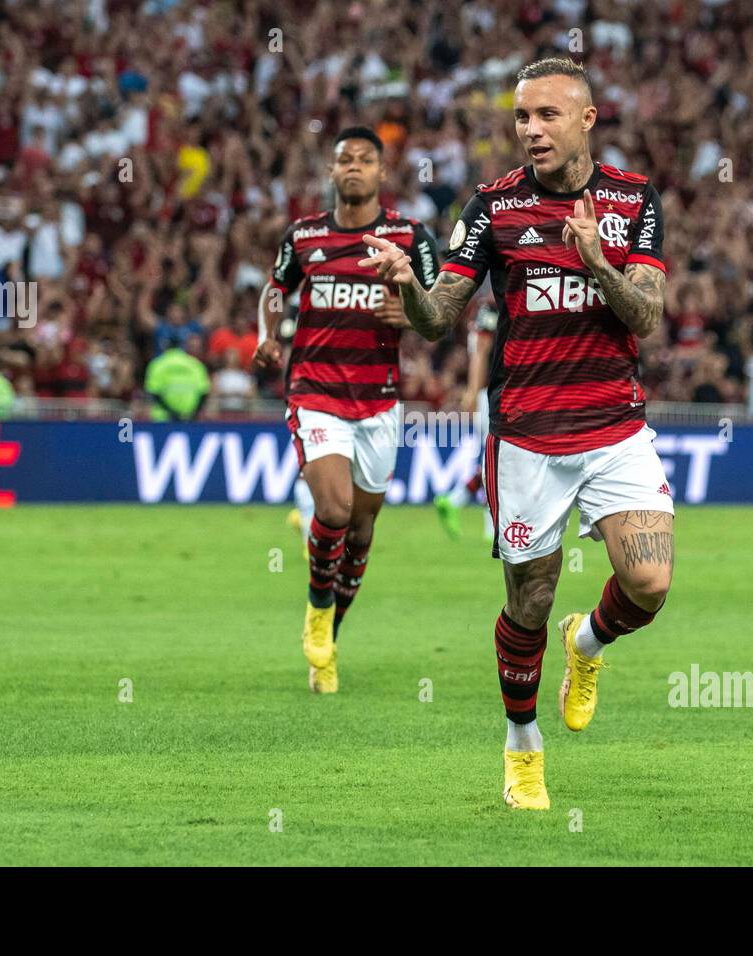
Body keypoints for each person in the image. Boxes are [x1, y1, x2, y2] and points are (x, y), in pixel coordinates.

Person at [361, 58, 673, 810]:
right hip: (528, 435)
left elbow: (649, 318)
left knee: (651, 583)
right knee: (528, 601)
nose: (530, 129)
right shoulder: (492, 208)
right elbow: (440, 320)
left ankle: (588, 644)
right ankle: (522, 750)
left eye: (547, 115)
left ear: (588, 120)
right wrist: (409, 286)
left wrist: (598, 263)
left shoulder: (633, 201)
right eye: (521, 117)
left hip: (614, 427)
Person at [255, 126, 440, 695]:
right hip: (314, 394)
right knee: (333, 510)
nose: (354, 167)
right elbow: (273, 288)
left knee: (361, 531)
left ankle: (327, 640)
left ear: (383, 173)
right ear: (332, 172)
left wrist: (408, 311)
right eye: (344, 160)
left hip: (379, 403)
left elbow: (440, 308)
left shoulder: (409, 236)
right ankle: (316, 608)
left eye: (365, 160)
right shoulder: (304, 236)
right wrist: (266, 334)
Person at [434, 300, 497, 540]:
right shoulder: (493, 308)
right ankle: (490, 526)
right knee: (498, 460)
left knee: (497, 460)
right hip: (494, 393)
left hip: (495, 393)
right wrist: (473, 391)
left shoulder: (488, 308)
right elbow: (481, 348)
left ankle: (456, 500)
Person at [144, 336, 210, 421]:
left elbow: (153, 392)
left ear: (165, 347)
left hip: (163, 418)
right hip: (188, 417)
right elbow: (204, 392)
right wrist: (193, 412)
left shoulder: (157, 365)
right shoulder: (195, 365)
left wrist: (172, 413)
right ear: (182, 347)